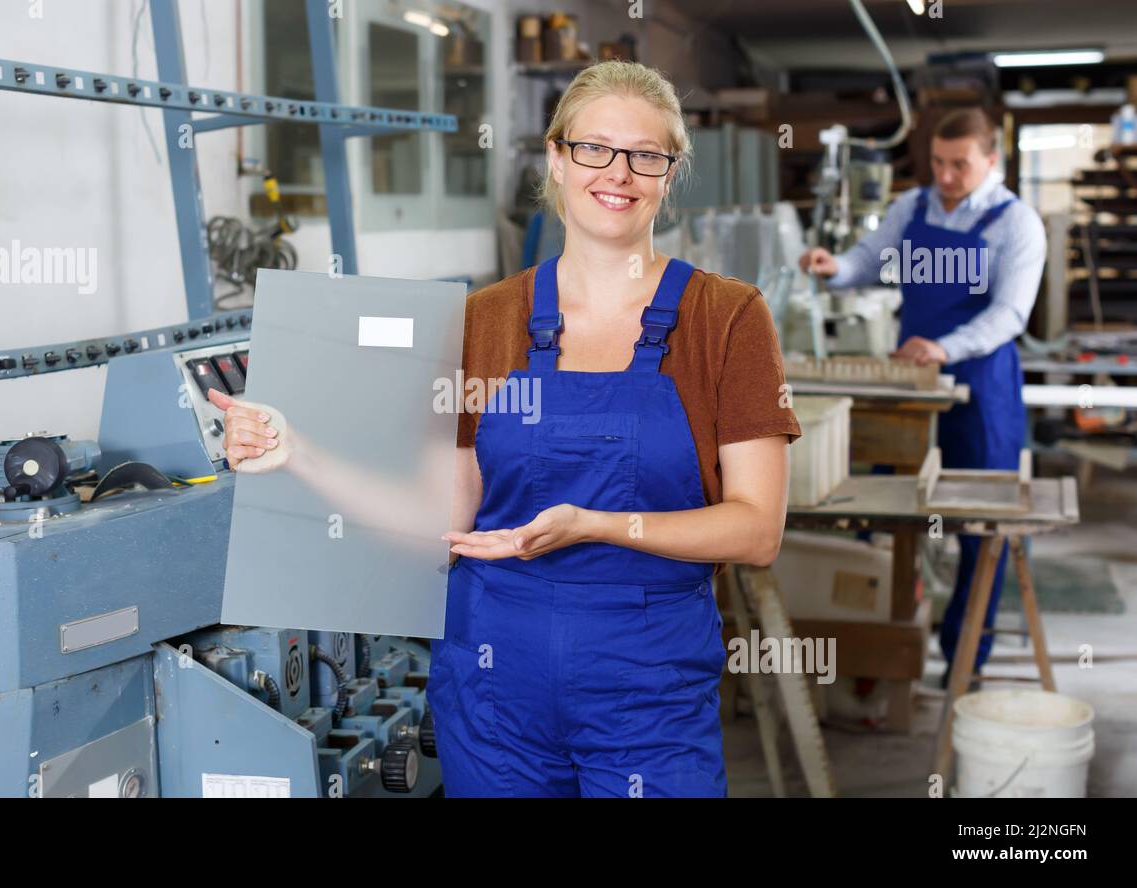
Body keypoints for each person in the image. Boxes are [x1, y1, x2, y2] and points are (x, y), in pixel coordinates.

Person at [214, 60, 801, 798]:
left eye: (645, 155)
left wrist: (595, 524)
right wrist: (297, 453)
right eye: (595, 149)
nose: (617, 173)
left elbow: (757, 530)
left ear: (669, 173)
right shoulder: (483, 321)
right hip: (495, 696)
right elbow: (441, 520)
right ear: (556, 159)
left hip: (647, 693)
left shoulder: (727, 318)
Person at [800, 107, 1047, 686]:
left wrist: (943, 347)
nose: (946, 176)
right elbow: (871, 260)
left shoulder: (1018, 225)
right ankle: (878, 644)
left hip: (982, 386)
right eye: (938, 162)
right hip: (910, 385)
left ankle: (965, 659)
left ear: (991, 160)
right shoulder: (911, 208)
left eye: (960, 164)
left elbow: (1010, 314)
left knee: (981, 524)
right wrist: (835, 267)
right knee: (884, 507)